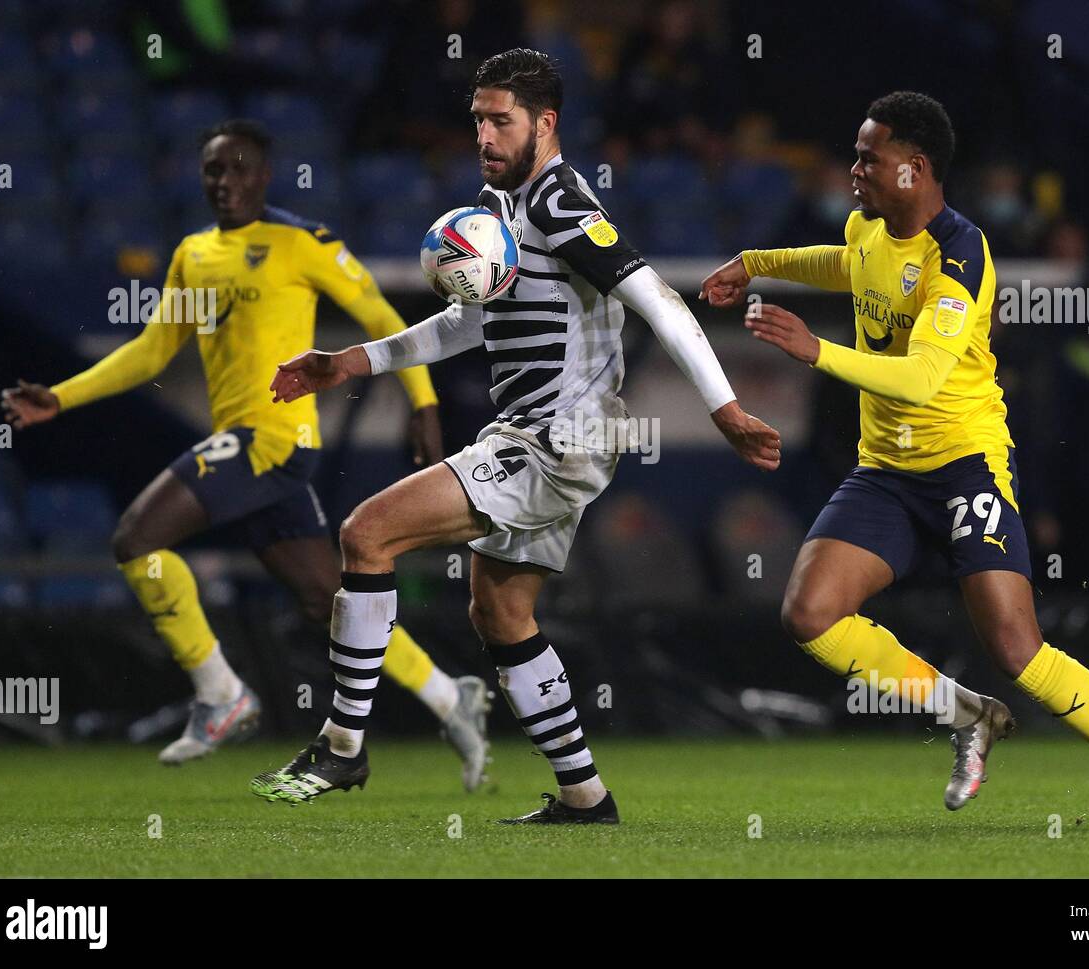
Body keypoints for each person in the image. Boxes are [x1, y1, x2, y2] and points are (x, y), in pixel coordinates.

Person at [249, 49, 781, 822]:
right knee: (499, 612)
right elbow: (469, 323)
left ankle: (341, 745)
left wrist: (724, 406)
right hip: (538, 433)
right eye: (478, 120)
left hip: (556, 439)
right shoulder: (500, 205)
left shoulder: (559, 202)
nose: (486, 136)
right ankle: (585, 796)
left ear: (546, 123)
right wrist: (349, 362)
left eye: (503, 120)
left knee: (366, 535)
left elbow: (658, 299)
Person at [700, 92, 1089, 829]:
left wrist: (818, 350)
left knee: (1016, 645)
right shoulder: (866, 228)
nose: (855, 168)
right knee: (810, 612)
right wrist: (757, 261)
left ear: (917, 168)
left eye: (871, 156)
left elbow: (922, 377)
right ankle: (966, 713)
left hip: (966, 463)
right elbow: (849, 266)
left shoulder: (960, 253)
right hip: (888, 472)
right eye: (858, 153)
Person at [1, 120, 492, 791]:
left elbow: (379, 317)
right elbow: (150, 351)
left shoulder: (303, 243)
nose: (225, 183)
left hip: (274, 439)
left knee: (135, 538)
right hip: (255, 454)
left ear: (265, 176)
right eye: (213, 172)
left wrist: (424, 402)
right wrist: (60, 397)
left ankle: (219, 691)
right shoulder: (192, 254)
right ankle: (447, 696)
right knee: (330, 600)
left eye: (238, 170)